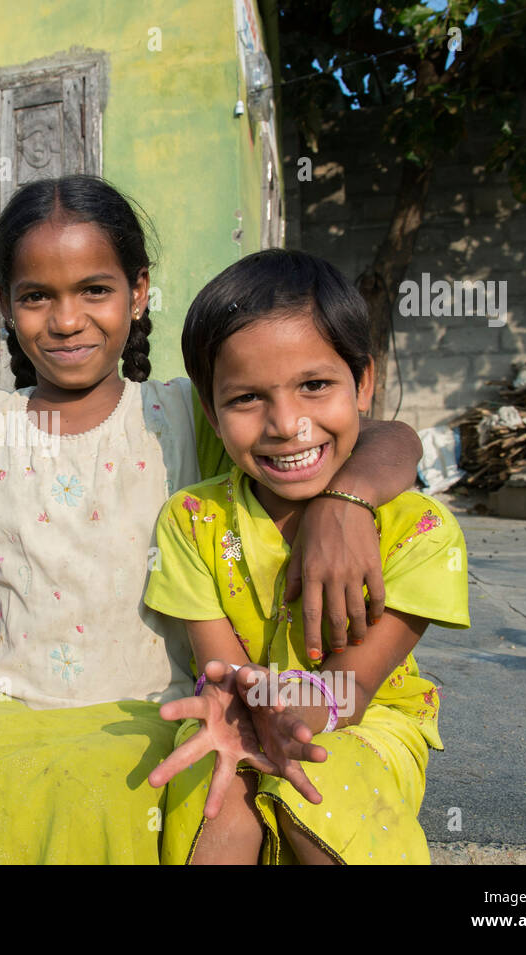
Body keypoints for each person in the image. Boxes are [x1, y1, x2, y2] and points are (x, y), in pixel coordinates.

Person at [0, 176, 425, 863]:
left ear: (138, 292)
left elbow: (389, 437)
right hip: (6, 703)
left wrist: (347, 502)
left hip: (154, 705)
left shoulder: (182, 411)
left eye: (94, 290)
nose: (67, 319)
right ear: (4, 304)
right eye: (37, 295)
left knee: (144, 798)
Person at [144, 250, 469, 864]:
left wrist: (288, 716)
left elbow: (352, 688)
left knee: (319, 797)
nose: (288, 424)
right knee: (218, 798)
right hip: (238, 714)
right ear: (211, 414)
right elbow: (222, 672)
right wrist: (244, 709)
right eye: (246, 399)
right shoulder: (192, 521)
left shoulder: (418, 529)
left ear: (363, 384)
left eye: (315, 385)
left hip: (365, 723)